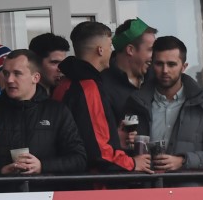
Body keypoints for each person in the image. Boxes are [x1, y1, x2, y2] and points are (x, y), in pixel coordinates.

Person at [127, 35, 203, 171]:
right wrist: (125, 143)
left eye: (171, 64)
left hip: (186, 184)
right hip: (146, 182)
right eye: (159, 64)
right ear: (152, 65)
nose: (165, 70)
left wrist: (183, 161)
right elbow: (120, 152)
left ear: (183, 67)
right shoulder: (136, 103)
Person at [52, 21, 142, 173]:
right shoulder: (88, 88)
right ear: (100, 50)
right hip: (91, 180)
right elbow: (100, 153)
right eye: (110, 46)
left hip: (69, 177)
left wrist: (114, 137)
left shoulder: (63, 84)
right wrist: (132, 163)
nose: (111, 51)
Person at [0, 49, 86, 176]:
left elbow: (79, 159)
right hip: (5, 188)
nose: (9, 80)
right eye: (6, 73)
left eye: (17, 73)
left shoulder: (57, 111)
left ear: (35, 77)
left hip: (46, 188)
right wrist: (1, 170)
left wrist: (42, 166)